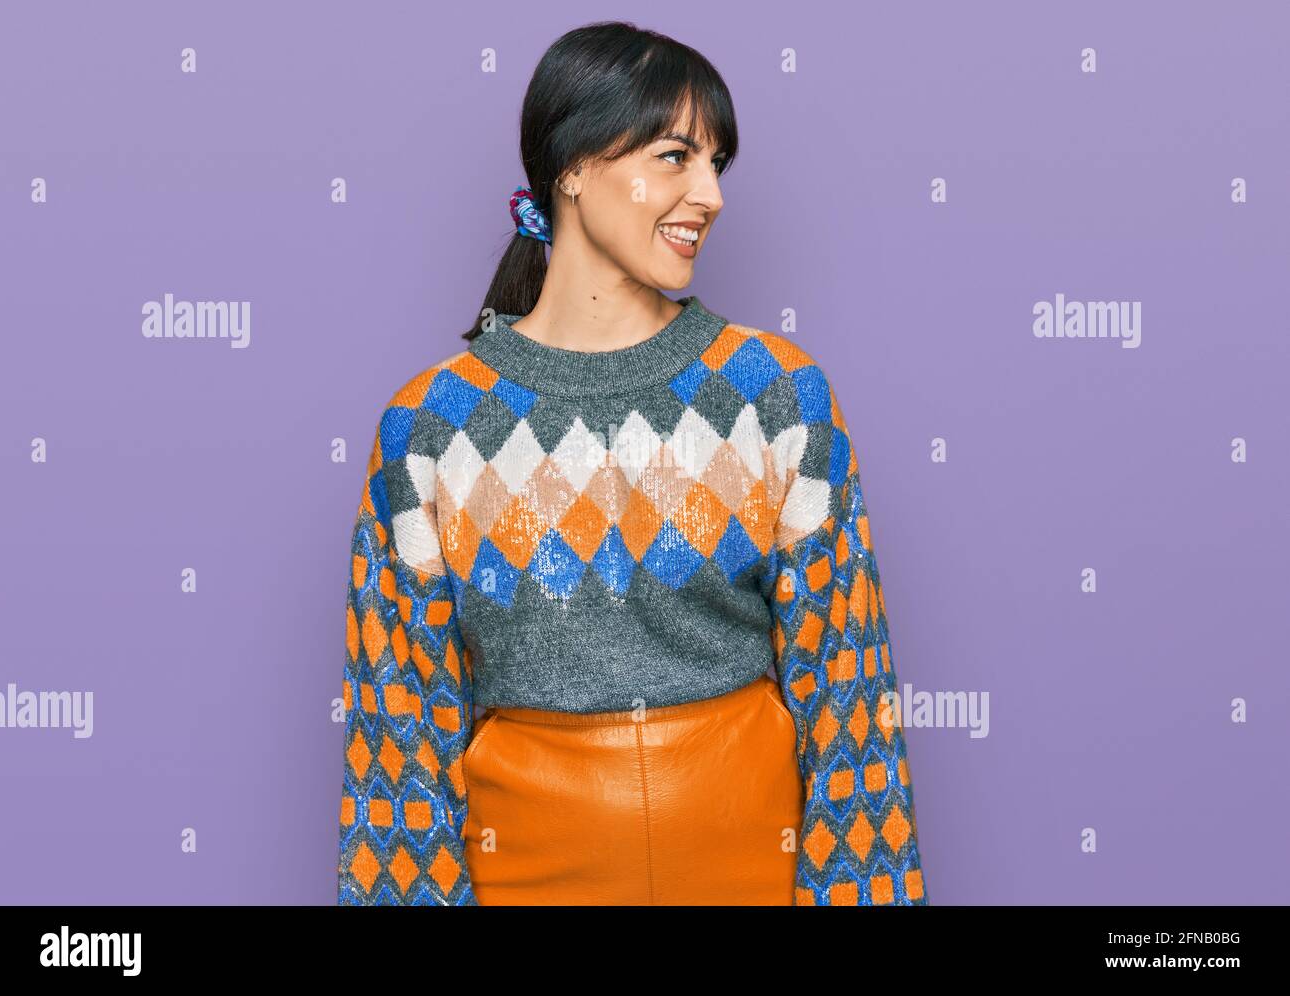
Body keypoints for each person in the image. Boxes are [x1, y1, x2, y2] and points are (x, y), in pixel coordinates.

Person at [337, 19, 928, 906]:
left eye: (716, 164)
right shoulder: (430, 428)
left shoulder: (775, 394)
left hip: (754, 874)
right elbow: (398, 743)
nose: (711, 194)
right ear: (572, 167)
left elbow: (850, 700)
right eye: (676, 155)